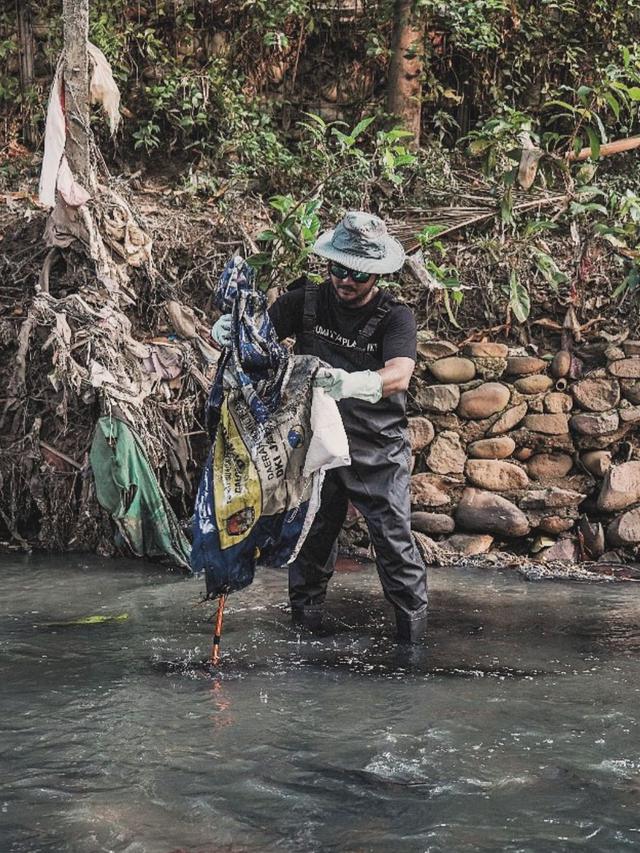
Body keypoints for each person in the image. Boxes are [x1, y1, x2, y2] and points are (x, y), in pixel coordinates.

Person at [211, 211, 428, 643]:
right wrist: (233, 333)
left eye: (358, 275)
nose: (346, 281)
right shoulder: (305, 301)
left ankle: (412, 640)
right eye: (338, 269)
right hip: (316, 442)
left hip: (375, 446)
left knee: (393, 539)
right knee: (311, 537)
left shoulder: (395, 316)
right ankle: (305, 633)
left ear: (375, 276)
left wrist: (355, 383)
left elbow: (400, 373)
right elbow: (259, 343)